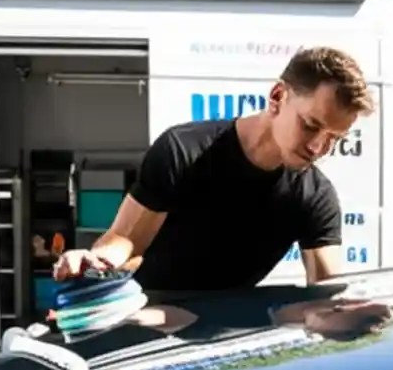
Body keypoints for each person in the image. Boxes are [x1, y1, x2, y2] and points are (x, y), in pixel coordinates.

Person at [52, 46, 376, 291]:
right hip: (147, 334)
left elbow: (328, 294)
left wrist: (354, 319)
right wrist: (96, 261)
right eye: (310, 125)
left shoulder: (315, 196)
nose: (318, 147)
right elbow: (125, 239)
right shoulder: (183, 150)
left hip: (225, 351)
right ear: (278, 96)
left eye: (334, 138)